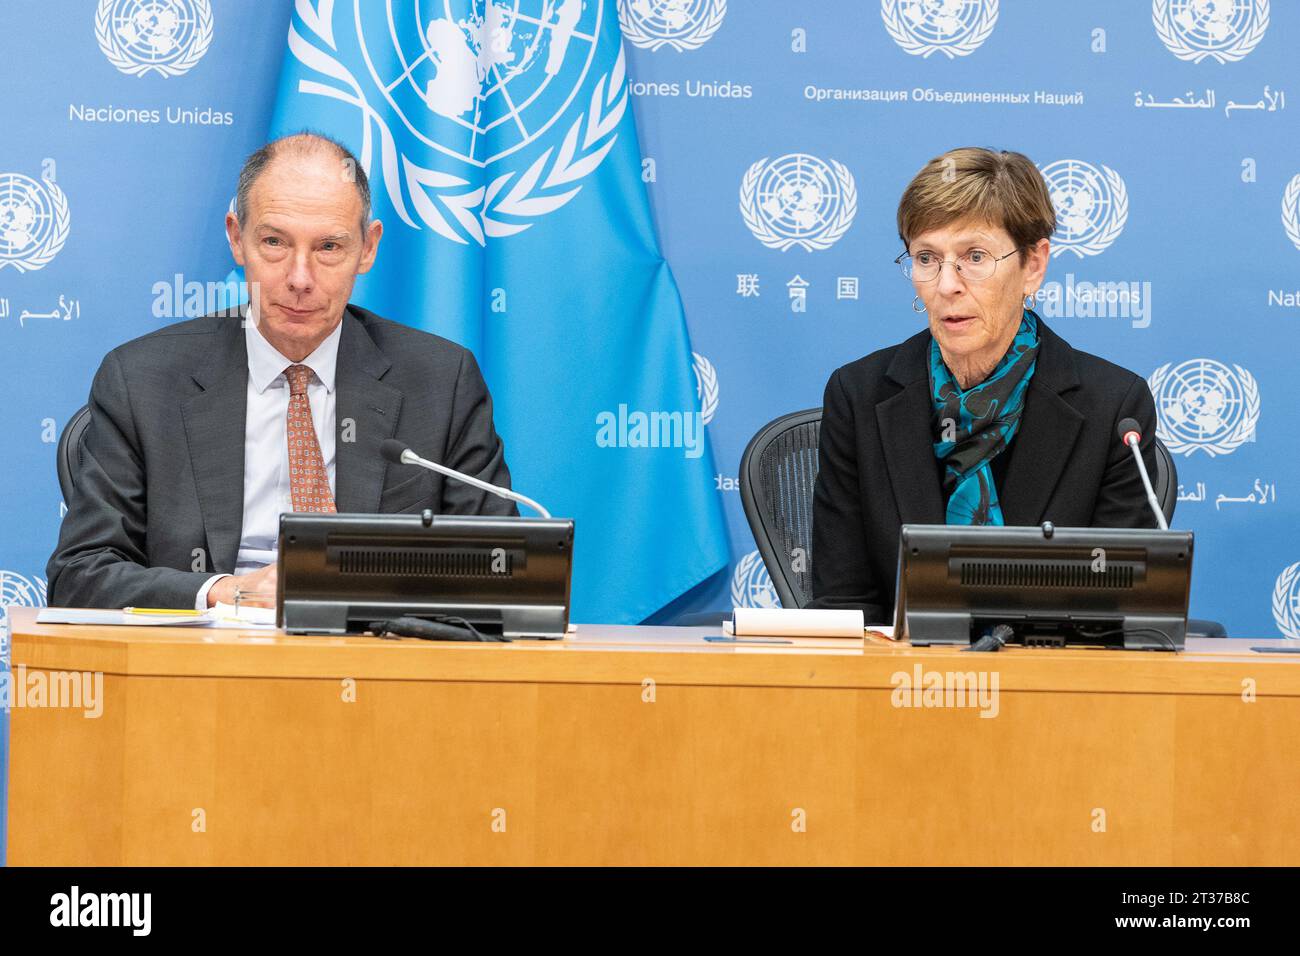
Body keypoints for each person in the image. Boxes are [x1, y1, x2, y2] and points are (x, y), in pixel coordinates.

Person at [47, 133, 515, 610]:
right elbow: (80, 573)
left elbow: (501, 570)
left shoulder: (440, 380)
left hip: (379, 659)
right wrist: (226, 593)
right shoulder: (142, 380)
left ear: (368, 248)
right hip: (203, 665)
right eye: (274, 242)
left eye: (329, 247)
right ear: (236, 237)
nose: (299, 278)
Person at [810, 147, 1160, 621]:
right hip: (900, 683)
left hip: (1049, 685)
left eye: (974, 256)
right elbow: (843, 602)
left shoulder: (1113, 407)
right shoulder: (859, 395)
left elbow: (1115, 613)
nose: (947, 284)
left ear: (1033, 265)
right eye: (927, 258)